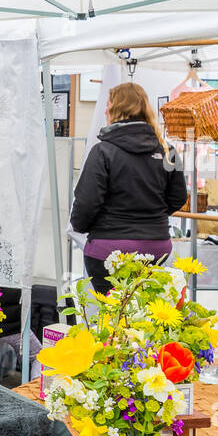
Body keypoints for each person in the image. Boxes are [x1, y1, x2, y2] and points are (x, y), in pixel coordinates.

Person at [70, 82, 185, 294]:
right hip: (156, 248)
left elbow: (86, 201)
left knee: (112, 318)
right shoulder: (169, 151)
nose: (105, 109)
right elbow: (178, 197)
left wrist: (80, 225)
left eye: (108, 104)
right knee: (145, 318)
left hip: (108, 249)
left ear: (117, 108)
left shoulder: (102, 151)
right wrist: (152, 215)